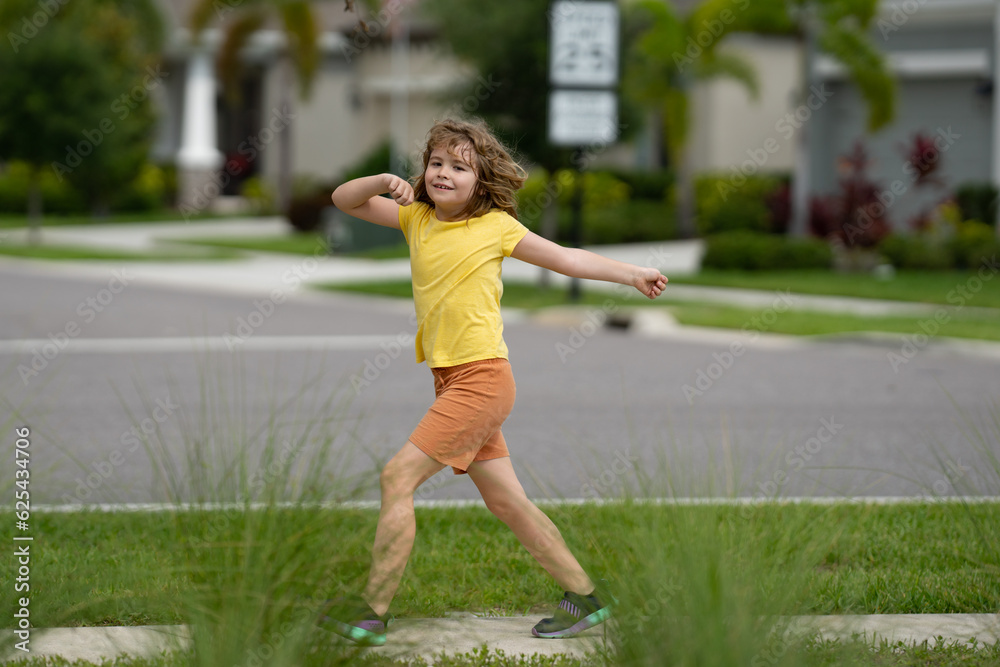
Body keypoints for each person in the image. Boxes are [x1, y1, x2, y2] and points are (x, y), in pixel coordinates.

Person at [326, 118, 667, 645]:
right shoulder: (416, 218)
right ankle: (584, 598)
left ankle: (371, 611)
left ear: (481, 181)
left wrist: (631, 274)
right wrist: (378, 181)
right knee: (507, 501)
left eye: (459, 167)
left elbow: (567, 259)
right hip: (453, 381)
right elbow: (344, 200)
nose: (443, 173)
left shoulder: (496, 227)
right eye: (436, 163)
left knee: (397, 478)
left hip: (482, 380)